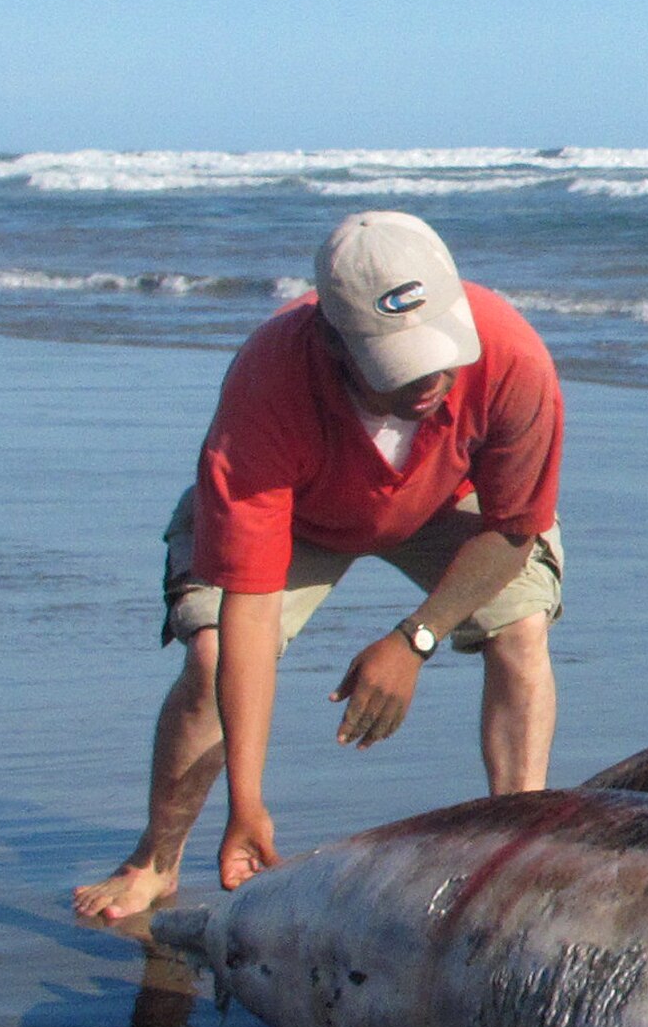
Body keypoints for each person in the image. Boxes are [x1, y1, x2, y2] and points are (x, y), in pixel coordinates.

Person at [74, 212, 565, 922]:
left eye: (440, 351)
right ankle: (156, 859)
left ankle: (516, 859)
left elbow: (514, 528)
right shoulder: (269, 381)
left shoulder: (512, 356)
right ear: (332, 340)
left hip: (444, 502)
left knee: (521, 631)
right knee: (211, 654)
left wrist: (415, 638)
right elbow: (248, 605)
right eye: (400, 363)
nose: (429, 380)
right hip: (300, 513)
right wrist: (246, 802)